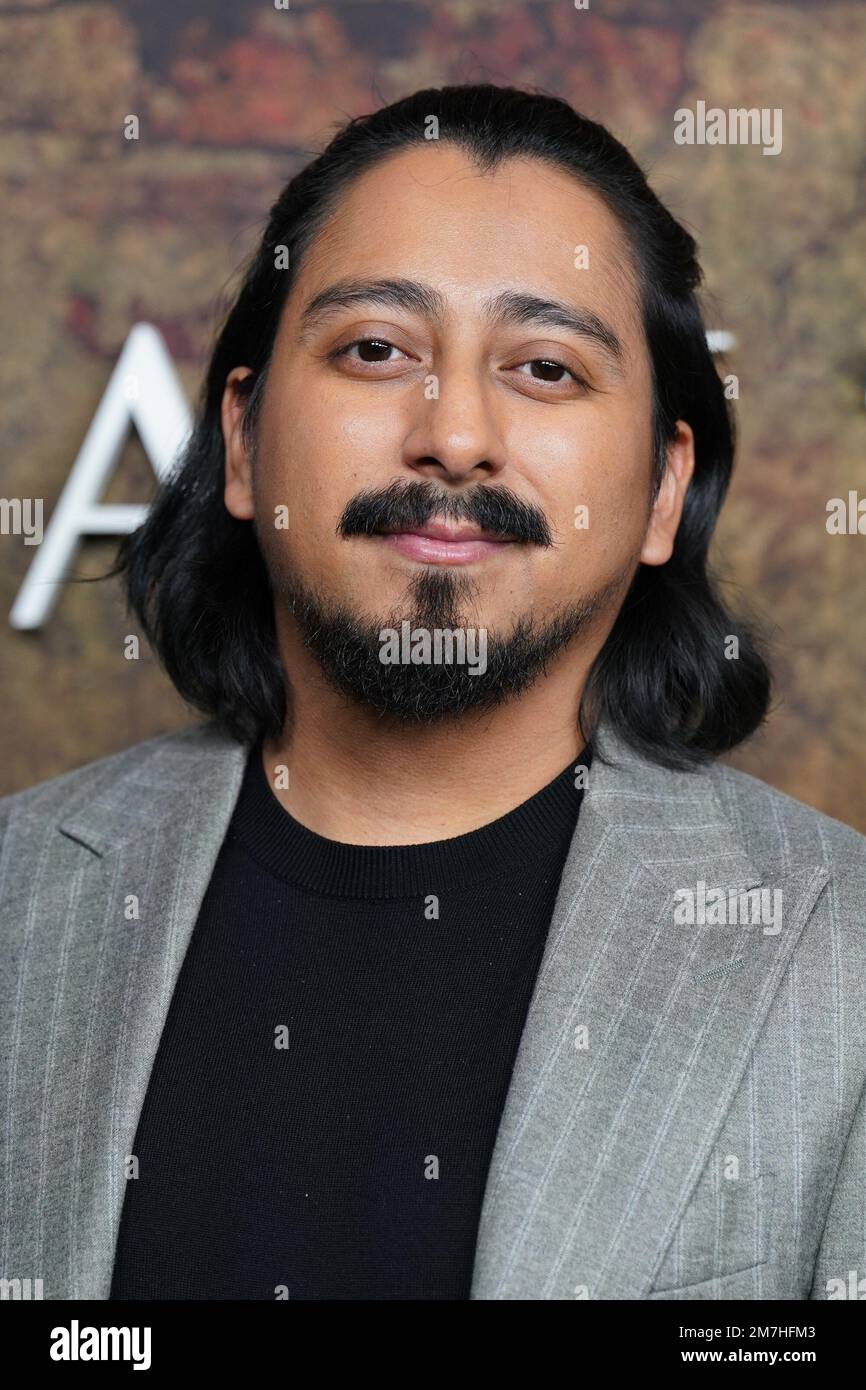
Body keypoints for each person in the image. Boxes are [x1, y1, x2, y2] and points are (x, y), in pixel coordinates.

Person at [2, 84, 864, 1302]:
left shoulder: (842, 960)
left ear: (665, 489)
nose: (453, 434)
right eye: (373, 349)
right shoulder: (19, 893)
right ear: (242, 443)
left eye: (546, 368)